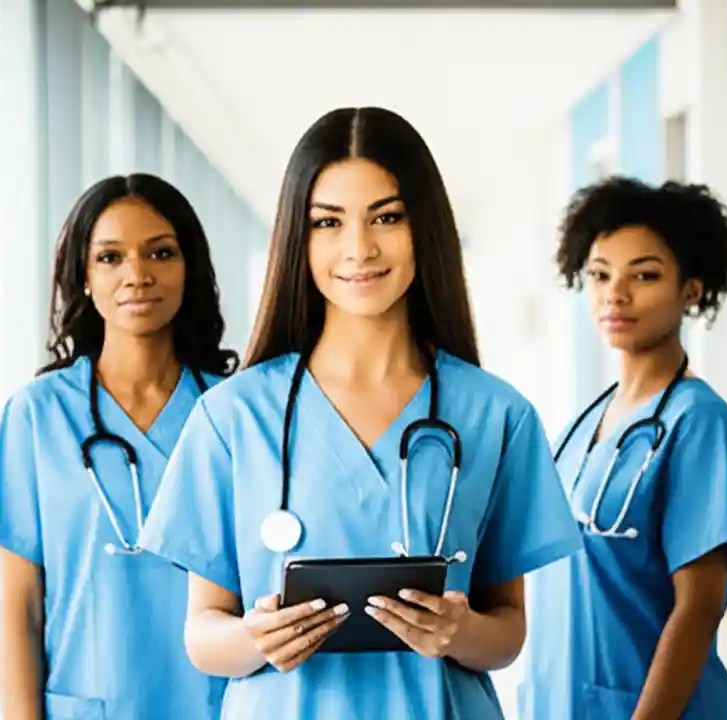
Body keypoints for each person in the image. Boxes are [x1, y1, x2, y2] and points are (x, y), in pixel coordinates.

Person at [136, 107, 582, 720]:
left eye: (387, 217)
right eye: (328, 222)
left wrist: (459, 632)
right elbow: (202, 635)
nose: (359, 248)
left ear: (424, 226)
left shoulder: (495, 414)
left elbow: (507, 634)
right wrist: (255, 639)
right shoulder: (232, 416)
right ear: (298, 238)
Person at [0, 173, 236, 719]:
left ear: (190, 268)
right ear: (83, 275)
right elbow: (19, 608)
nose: (138, 274)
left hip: (217, 703)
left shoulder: (232, 412)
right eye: (110, 257)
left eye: (161, 252)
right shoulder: (37, 416)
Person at [519, 176, 727, 720]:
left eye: (645, 275)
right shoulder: (580, 426)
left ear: (691, 290)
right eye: (600, 275)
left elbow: (699, 607)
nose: (615, 294)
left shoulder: (697, 422)